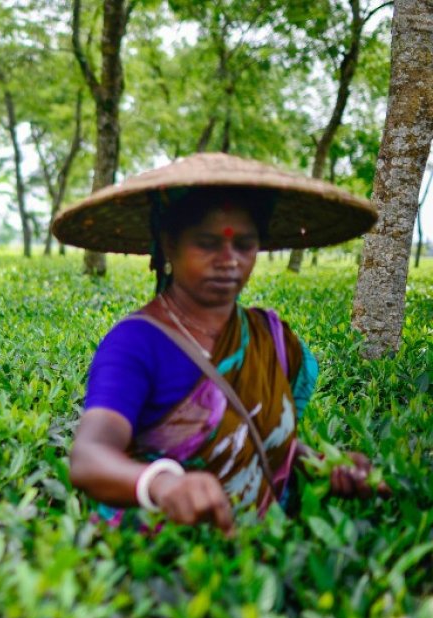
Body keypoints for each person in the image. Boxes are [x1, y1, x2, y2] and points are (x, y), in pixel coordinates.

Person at [51, 153, 387, 533]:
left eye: (244, 245)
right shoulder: (135, 343)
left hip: (261, 552)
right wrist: (161, 484)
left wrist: (326, 465)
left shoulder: (271, 336)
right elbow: (89, 456)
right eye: (207, 243)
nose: (228, 260)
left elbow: (260, 443)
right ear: (169, 244)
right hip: (163, 555)